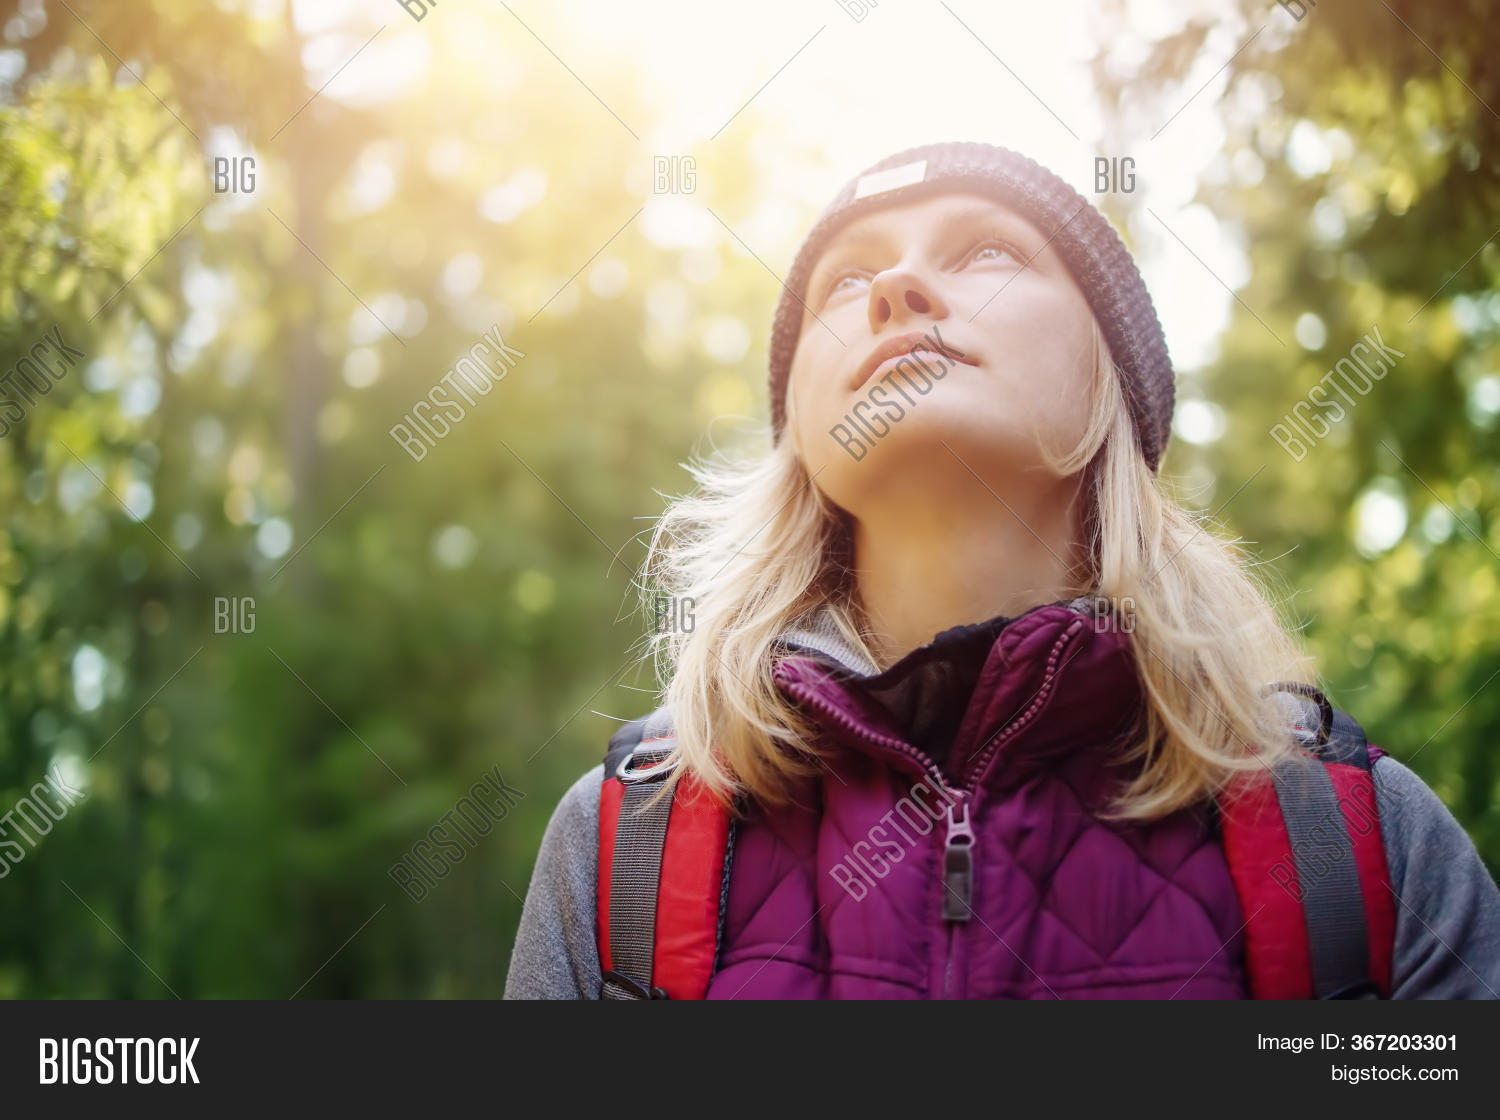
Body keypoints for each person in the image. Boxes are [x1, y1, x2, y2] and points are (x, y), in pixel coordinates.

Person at [505, 141, 1500, 999]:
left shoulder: (1359, 844)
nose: (896, 291)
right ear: (801, 426)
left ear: (1106, 379)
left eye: (987, 252)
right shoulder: (623, 852)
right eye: (845, 281)